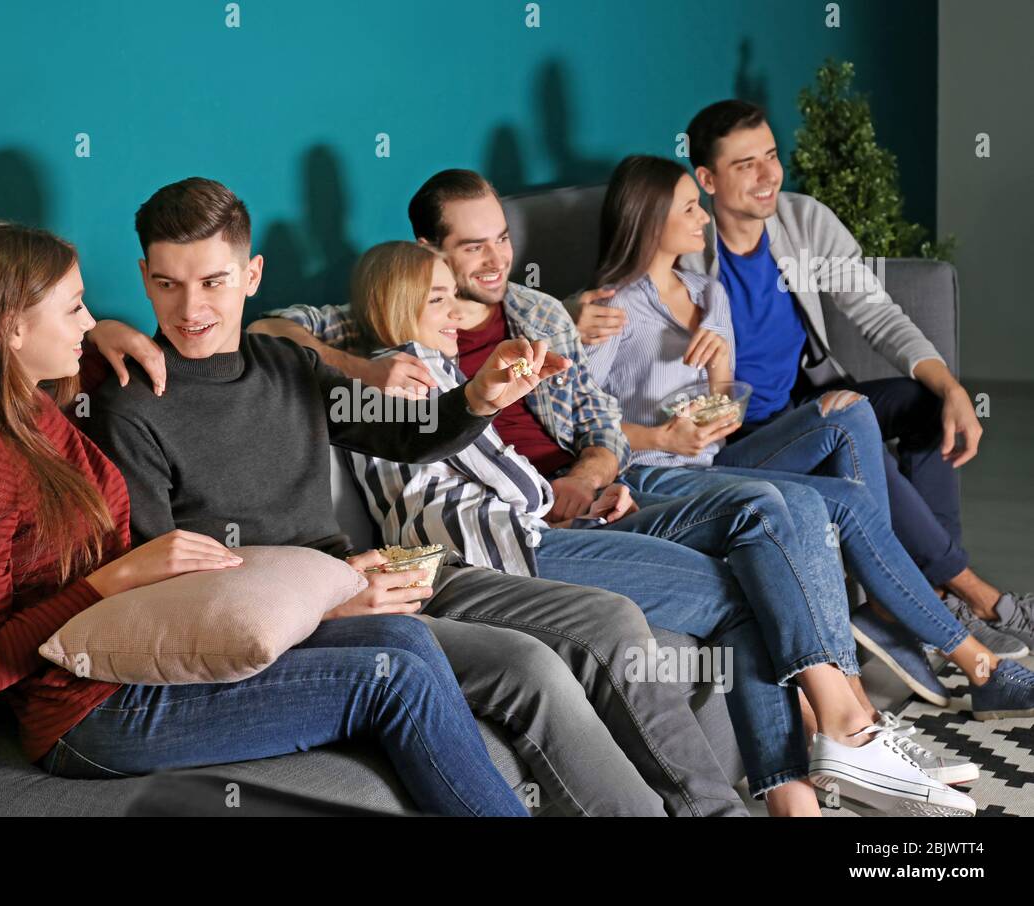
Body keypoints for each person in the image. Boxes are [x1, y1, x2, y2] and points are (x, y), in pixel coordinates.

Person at [84, 176, 753, 817]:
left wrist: (479, 398)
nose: (191, 307)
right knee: (529, 667)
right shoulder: (131, 406)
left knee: (610, 619)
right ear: (144, 277)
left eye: (213, 281)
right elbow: (167, 576)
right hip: (295, 614)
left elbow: (404, 435)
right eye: (168, 285)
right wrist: (330, 593)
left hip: (380, 572)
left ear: (251, 275)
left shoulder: (287, 365)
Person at [340, 237, 978, 816]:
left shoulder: (429, 371)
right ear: (396, 303)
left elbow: (512, 480)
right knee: (746, 574)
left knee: (765, 520)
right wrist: (562, 489)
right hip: (507, 556)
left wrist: (586, 495)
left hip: (536, 531)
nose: (458, 312)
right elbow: (515, 485)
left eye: (455, 296)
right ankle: (836, 740)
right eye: (439, 299)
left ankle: (820, 761)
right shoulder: (409, 373)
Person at [0, 219, 528, 817]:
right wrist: (117, 578)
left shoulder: (45, 396)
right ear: (12, 327)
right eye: (76, 308)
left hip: (130, 656)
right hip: (86, 714)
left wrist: (108, 334)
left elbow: (120, 349)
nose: (91, 320)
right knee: (391, 677)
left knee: (406, 638)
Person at [571, 153, 1034, 725]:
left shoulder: (704, 290)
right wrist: (659, 433)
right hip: (650, 473)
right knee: (846, 502)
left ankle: (900, 618)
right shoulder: (611, 308)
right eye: (690, 207)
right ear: (649, 221)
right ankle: (974, 660)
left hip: (714, 461)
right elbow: (581, 422)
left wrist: (719, 376)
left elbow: (726, 414)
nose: (703, 219)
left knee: (848, 414)